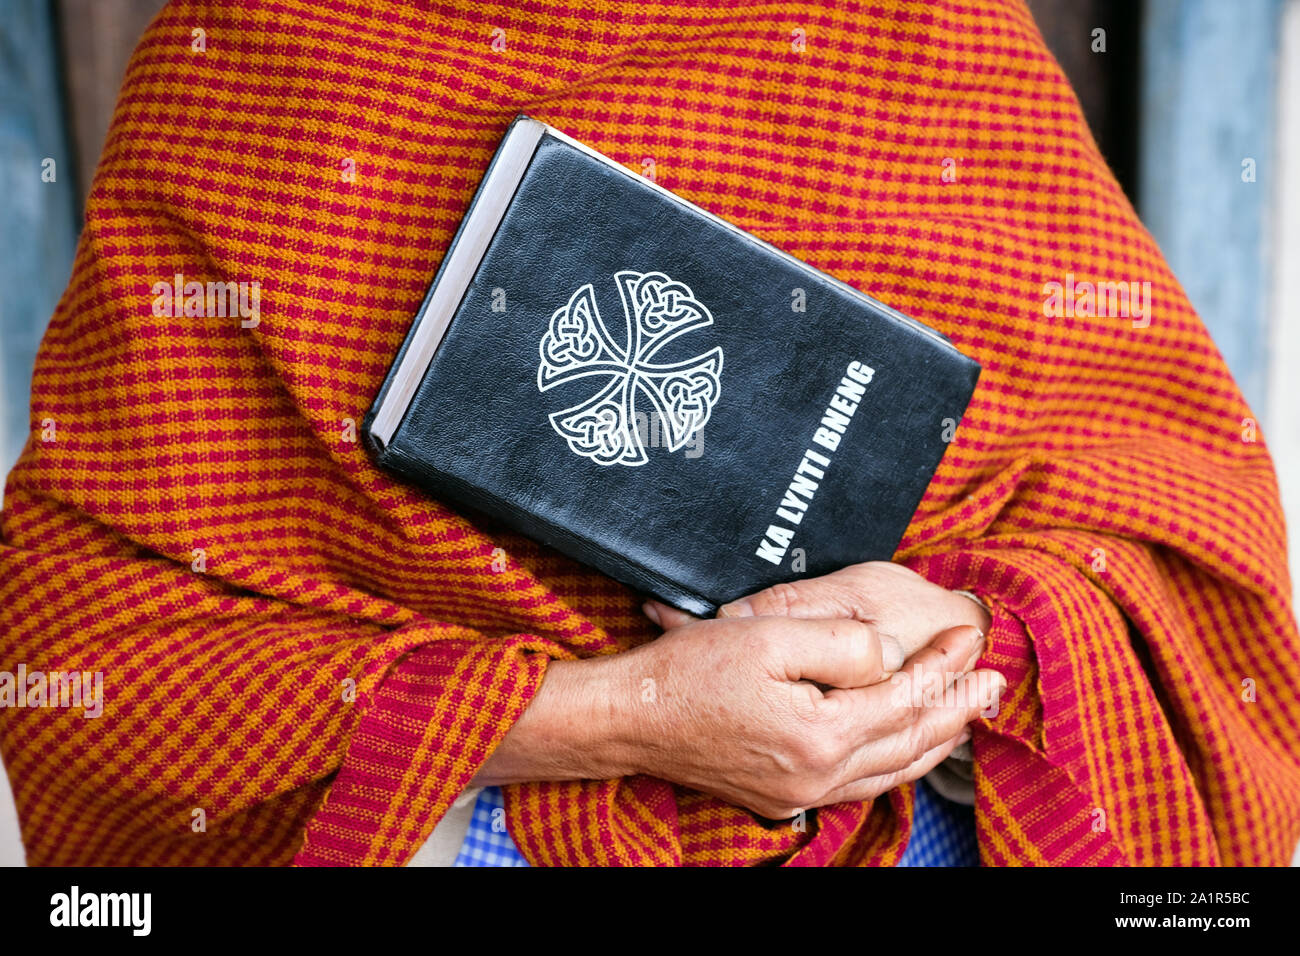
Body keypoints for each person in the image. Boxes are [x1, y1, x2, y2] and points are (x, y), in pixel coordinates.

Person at [1, 0, 1297, 867]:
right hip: (471, 836)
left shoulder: (921, 25)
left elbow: (1166, 497)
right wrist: (619, 716)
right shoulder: (268, 51)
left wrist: (949, 639)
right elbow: (98, 651)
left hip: (922, 810)